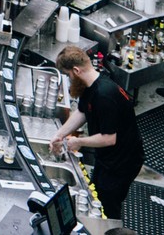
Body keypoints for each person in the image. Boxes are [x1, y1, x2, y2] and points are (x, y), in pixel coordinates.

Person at [51, 44, 144, 226]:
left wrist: (79, 142)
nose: (69, 79)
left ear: (76, 70)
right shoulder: (91, 85)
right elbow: (82, 112)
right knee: (97, 196)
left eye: (69, 75)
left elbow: (109, 138)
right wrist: (59, 135)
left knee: (107, 206)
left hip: (122, 163)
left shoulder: (104, 95)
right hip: (108, 158)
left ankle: (111, 230)